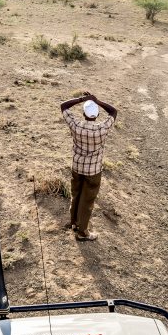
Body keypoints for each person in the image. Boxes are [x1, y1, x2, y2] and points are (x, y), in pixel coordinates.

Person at [60, 92, 118, 241]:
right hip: (93, 170)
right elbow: (113, 111)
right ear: (97, 114)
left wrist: (82, 99)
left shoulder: (76, 125)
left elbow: (64, 106)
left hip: (77, 166)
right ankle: (82, 232)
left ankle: (74, 223)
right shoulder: (101, 129)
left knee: (76, 194)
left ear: (83, 113)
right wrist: (97, 101)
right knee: (87, 201)